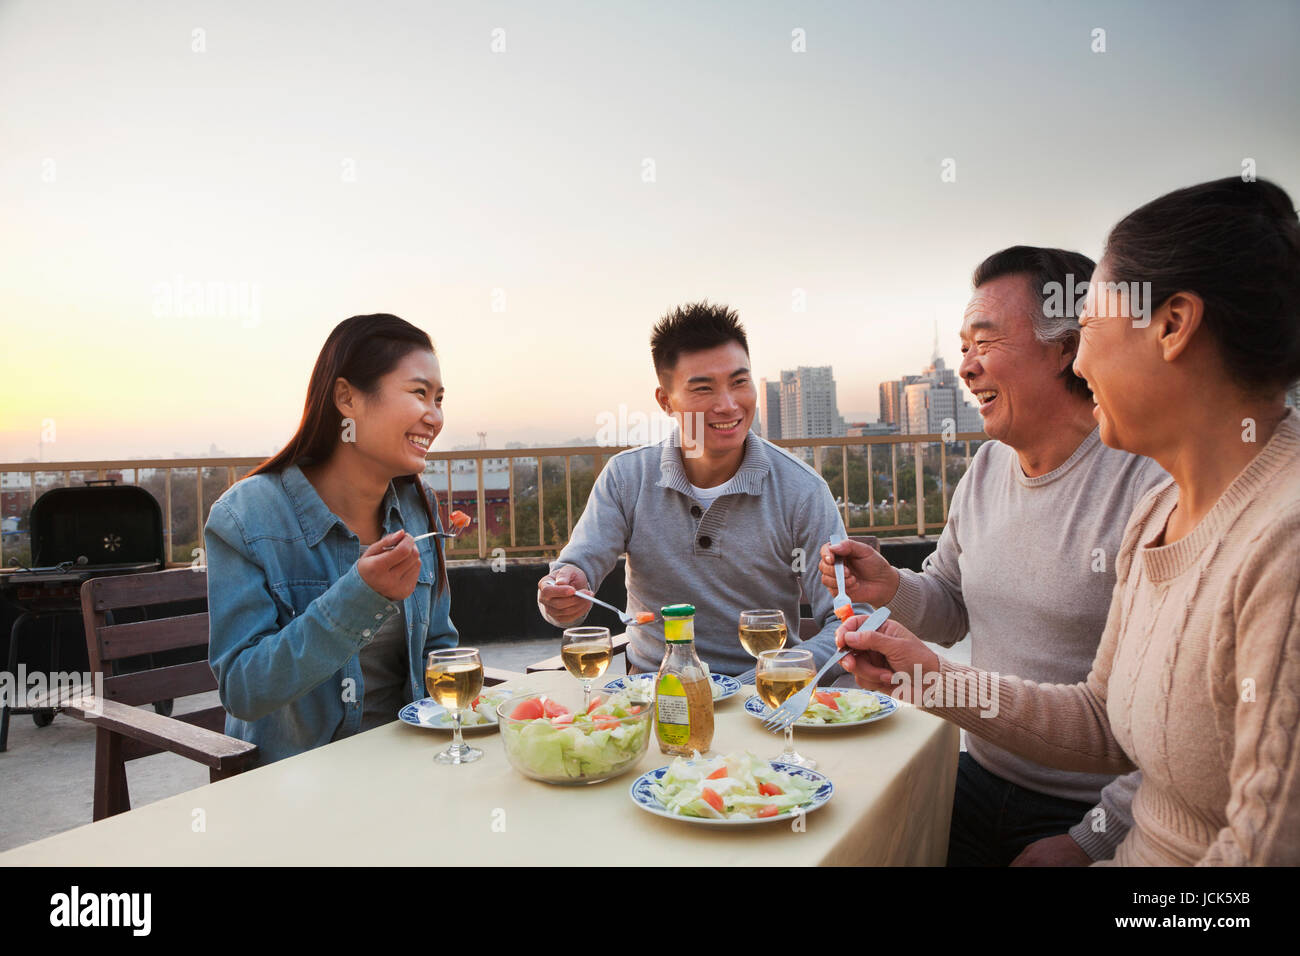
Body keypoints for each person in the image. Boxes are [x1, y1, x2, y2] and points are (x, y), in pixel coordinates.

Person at [836, 178, 1300, 865]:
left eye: (1091, 330)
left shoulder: (1279, 543)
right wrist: (924, 674)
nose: (1082, 361)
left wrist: (1092, 845)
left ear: (1172, 325)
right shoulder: (1162, 511)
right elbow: (1103, 718)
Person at [821, 247, 1166, 866]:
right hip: (977, 770)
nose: (967, 367)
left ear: (1068, 347)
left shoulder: (1150, 483)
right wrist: (888, 586)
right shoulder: (986, 468)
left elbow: (1174, 719)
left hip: (1091, 805)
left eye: (984, 342)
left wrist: (1093, 840)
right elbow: (950, 604)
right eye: (962, 349)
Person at [537, 301, 847, 680]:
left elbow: (849, 621)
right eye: (703, 389)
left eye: (739, 382)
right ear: (666, 401)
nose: (728, 405)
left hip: (764, 700)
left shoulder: (802, 491)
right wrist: (565, 593)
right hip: (654, 696)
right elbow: (575, 574)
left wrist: (761, 679)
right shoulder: (626, 478)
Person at [206, 314, 457, 765]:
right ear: (347, 398)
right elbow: (243, 690)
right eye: (419, 393)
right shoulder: (246, 516)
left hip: (412, 768)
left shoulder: (419, 507)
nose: (434, 417)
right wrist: (359, 597)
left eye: (439, 399)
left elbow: (438, 644)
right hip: (299, 786)